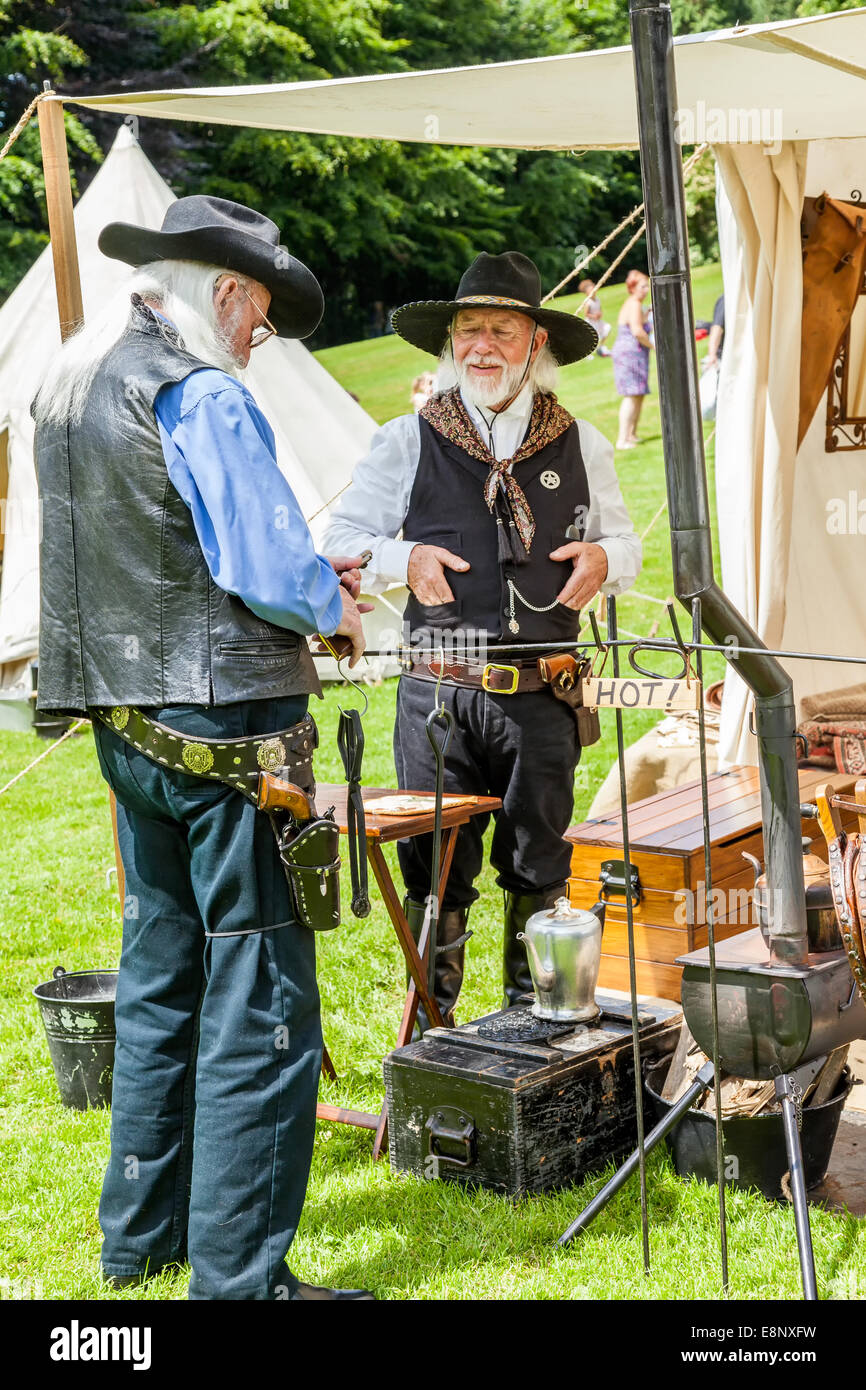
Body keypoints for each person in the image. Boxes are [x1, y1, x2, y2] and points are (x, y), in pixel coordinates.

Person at [31, 195, 375, 1301]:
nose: (256, 339)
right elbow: (262, 568)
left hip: (128, 730)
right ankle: (238, 1282)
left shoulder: (69, 379)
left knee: (163, 971)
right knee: (260, 989)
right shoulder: (202, 389)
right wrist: (331, 602)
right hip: (227, 729)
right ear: (225, 293)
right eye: (260, 318)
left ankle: (142, 1244)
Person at [322, 251, 641, 1029]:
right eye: (469, 331)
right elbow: (342, 538)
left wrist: (605, 558)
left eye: (502, 330)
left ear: (537, 344)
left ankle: (532, 1032)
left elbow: (625, 544)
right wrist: (406, 557)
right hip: (439, 696)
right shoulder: (408, 438)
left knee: (540, 869)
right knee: (436, 876)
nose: (482, 347)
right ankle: (437, 1039)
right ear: (449, 345)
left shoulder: (584, 444)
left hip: (544, 696)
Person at [611, 269, 653, 448]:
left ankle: (632, 435)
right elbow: (637, 331)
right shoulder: (634, 303)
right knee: (631, 394)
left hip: (635, 353)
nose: (646, 290)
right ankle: (623, 439)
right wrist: (655, 346)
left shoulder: (637, 304)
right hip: (630, 353)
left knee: (638, 394)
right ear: (633, 288)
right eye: (642, 286)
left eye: (647, 286)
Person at [578, 279, 612, 357]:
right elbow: (586, 314)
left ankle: (601, 346)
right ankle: (588, 353)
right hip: (591, 322)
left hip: (598, 321)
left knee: (607, 328)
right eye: (590, 291)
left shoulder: (597, 299)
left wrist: (600, 314)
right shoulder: (588, 302)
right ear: (587, 293)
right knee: (594, 338)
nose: (593, 292)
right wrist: (594, 316)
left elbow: (600, 309)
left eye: (593, 289)